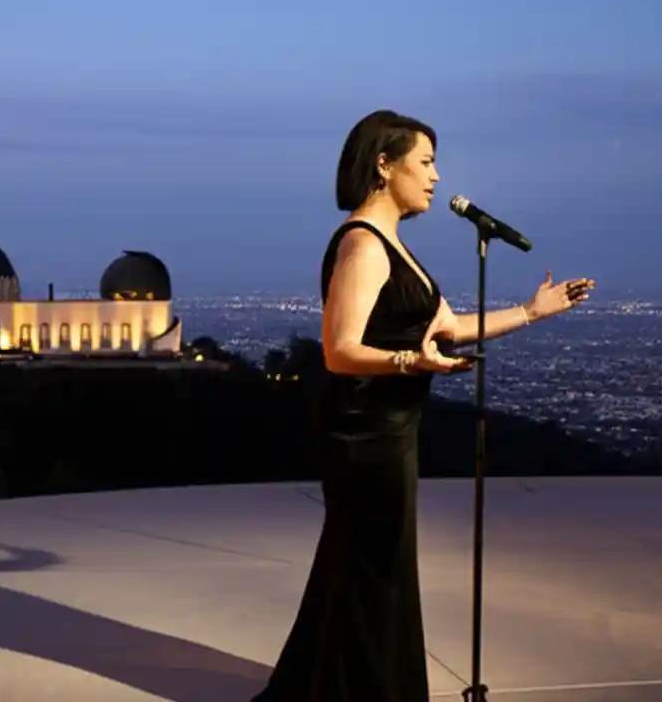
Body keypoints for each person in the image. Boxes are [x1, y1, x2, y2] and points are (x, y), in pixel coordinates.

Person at [251, 110, 595, 701]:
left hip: (391, 432)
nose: (437, 177)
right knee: (372, 574)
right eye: (427, 162)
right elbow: (339, 350)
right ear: (384, 165)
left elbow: (452, 328)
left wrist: (533, 311)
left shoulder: (395, 247)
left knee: (367, 572)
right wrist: (413, 362)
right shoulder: (363, 245)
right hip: (365, 437)